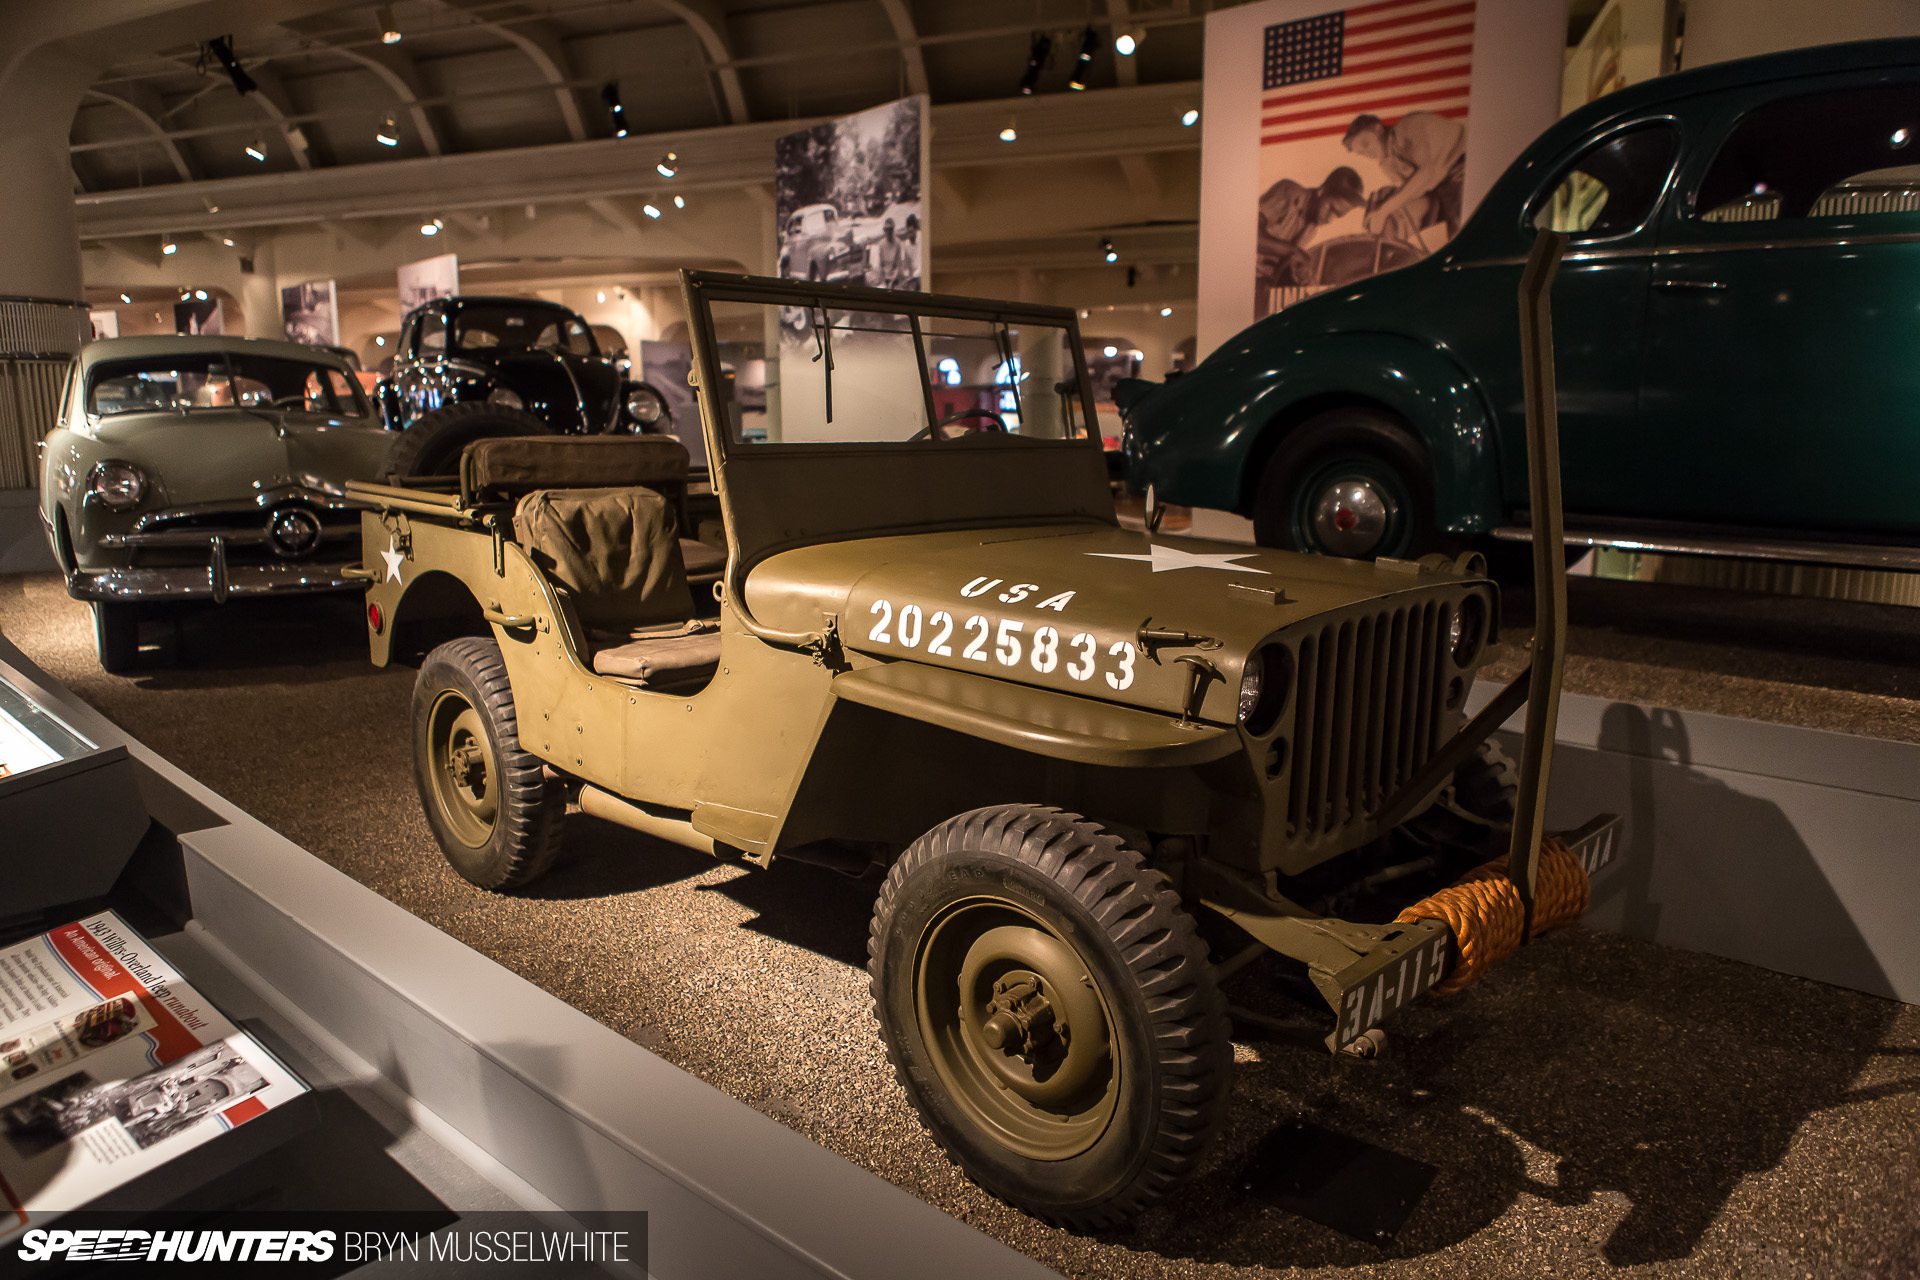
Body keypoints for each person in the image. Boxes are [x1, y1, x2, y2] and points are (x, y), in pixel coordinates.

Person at [1342, 111, 1467, 243]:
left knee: (1459, 234)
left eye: (1366, 144)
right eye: (1362, 153)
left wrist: (1383, 211)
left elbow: (1428, 174)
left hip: (1462, 167)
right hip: (1440, 189)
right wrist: (1380, 211)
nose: (1368, 153)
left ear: (1377, 129)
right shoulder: (1388, 163)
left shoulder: (1407, 128)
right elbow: (1413, 193)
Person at [1254, 166, 1365, 290]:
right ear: (1322, 191)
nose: (1330, 219)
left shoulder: (1311, 230)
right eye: (1331, 208)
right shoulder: (1289, 191)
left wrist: (1300, 274)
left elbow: (1279, 270)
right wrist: (1294, 251)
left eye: (1337, 216)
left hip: (1263, 286)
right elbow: (1251, 236)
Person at [872, 216, 909, 289]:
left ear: (893, 230)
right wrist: (882, 278)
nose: (888, 232)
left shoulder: (898, 243)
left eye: (890, 229)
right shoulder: (881, 244)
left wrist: (893, 279)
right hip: (884, 276)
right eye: (886, 230)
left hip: (895, 276)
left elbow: (898, 264)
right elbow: (880, 264)